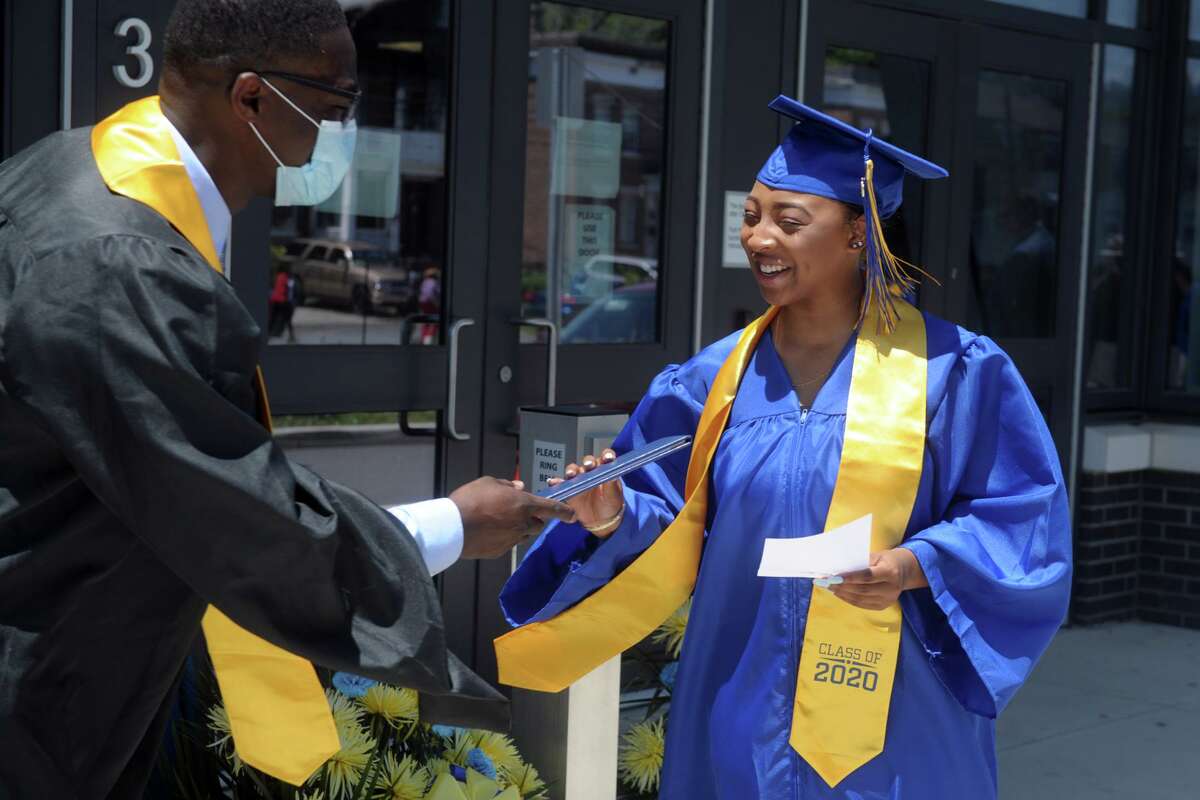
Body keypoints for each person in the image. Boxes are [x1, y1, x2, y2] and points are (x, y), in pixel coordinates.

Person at [0, 1, 574, 796]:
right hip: (40, 681)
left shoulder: (69, 168)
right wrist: (453, 525)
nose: (340, 134)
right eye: (335, 107)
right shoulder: (119, 264)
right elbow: (235, 514)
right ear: (251, 98)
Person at [496, 97, 1071, 799]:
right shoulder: (709, 382)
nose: (759, 237)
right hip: (737, 690)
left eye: (789, 221)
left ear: (859, 234)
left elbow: (1022, 517)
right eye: (751, 216)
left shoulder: (952, 373)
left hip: (896, 710)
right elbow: (671, 517)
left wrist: (916, 562)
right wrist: (612, 512)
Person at [268, 261, 297, 341]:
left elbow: (276, 288)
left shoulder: (279, 276)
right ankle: (291, 336)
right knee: (287, 319)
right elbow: (288, 291)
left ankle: (268, 334)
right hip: (283, 301)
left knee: (273, 318)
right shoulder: (287, 278)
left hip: (275, 300)